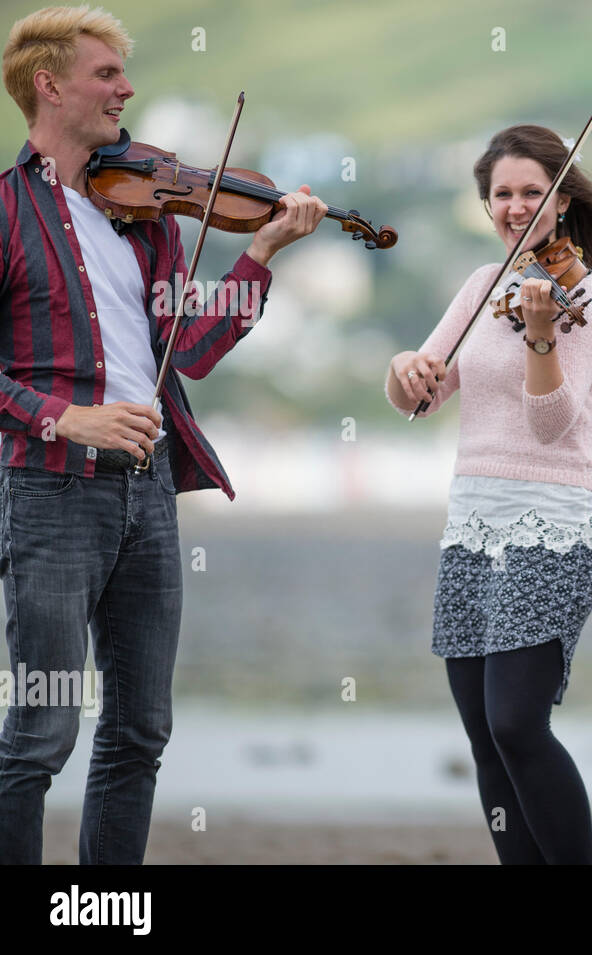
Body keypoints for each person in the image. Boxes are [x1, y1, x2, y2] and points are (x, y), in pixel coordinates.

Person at [0, 6, 326, 865]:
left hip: (145, 492)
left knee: (141, 730)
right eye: (106, 73)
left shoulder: (147, 215)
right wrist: (62, 414)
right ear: (50, 85)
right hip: (49, 489)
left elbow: (197, 348)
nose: (126, 89)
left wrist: (261, 254)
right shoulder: (3, 211)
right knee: (40, 730)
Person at [386, 124, 592, 865]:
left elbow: (549, 425)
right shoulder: (481, 286)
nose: (514, 205)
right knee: (483, 734)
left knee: (516, 724)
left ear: (561, 201)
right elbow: (418, 398)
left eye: (531, 191)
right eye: (501, 193)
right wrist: (406, 363)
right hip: (472, 525)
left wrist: (539, 339)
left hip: (554, 527)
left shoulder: (583, 299)